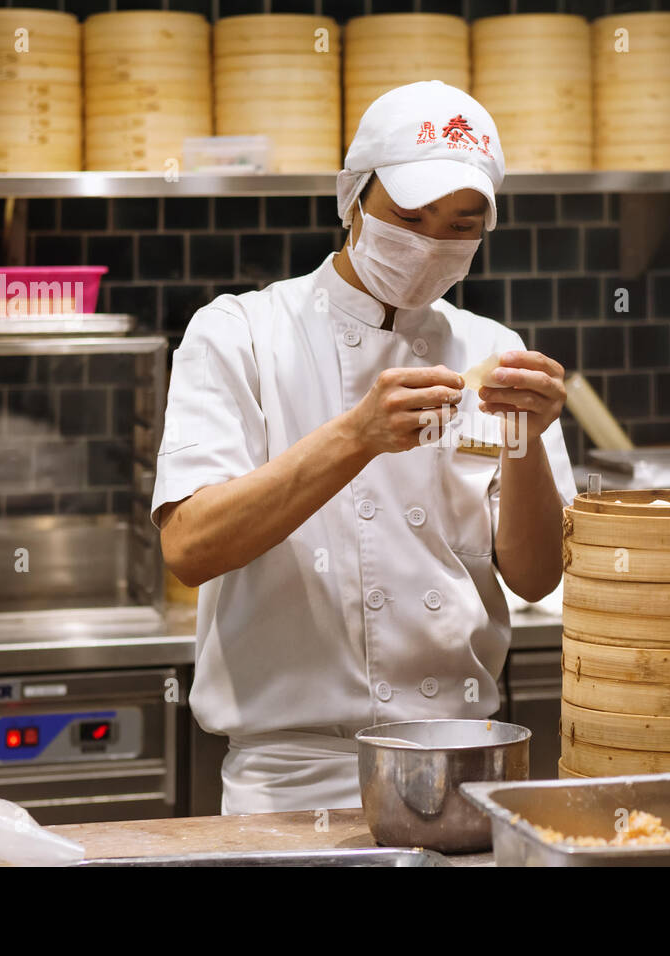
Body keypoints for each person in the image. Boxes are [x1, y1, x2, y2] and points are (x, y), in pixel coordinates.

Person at [150, 81, 576, 814]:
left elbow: (536, 578)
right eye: (410, 217)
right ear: (352, 197)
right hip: (292, 781)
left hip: (464, 763)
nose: (431, 244)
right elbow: (190, 546)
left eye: (461, 225)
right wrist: (356, 437)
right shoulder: (241, 334)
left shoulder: (493, 352)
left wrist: (528, 444)